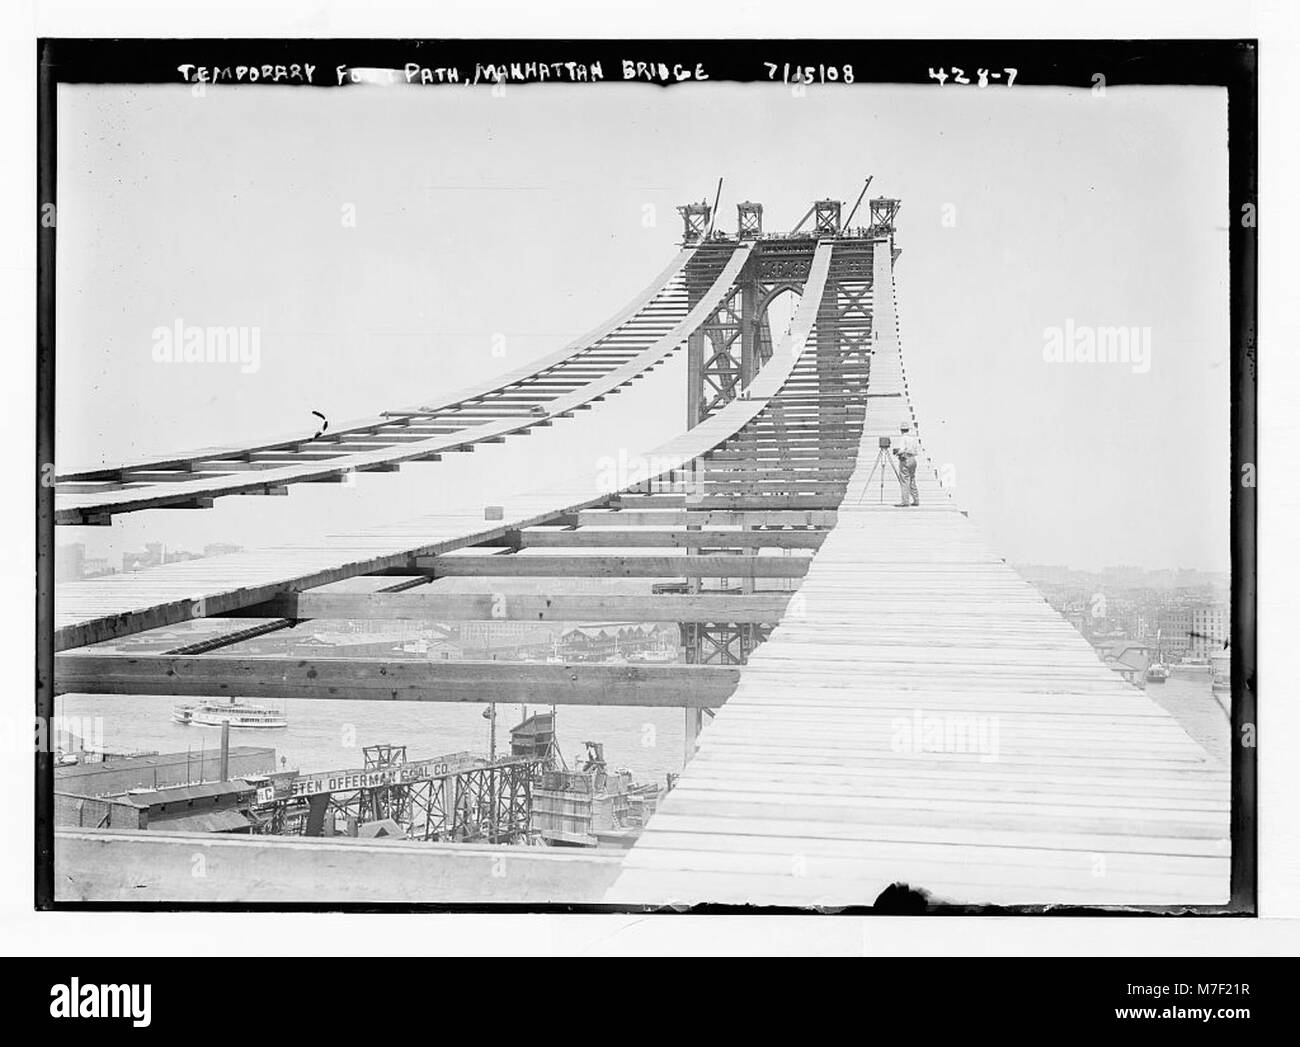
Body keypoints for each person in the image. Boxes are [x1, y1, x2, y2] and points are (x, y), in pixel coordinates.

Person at [893, 423, 921, 507]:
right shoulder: (913, 439)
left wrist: (897, 452)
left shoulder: (903, 439)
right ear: (908, 429)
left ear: (901, 430)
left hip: (905, 459)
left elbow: (901, 450)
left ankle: (905, 501)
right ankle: (916, 499)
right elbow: (916, 450)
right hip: (913, 459)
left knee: (905, 480)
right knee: (912, 479)